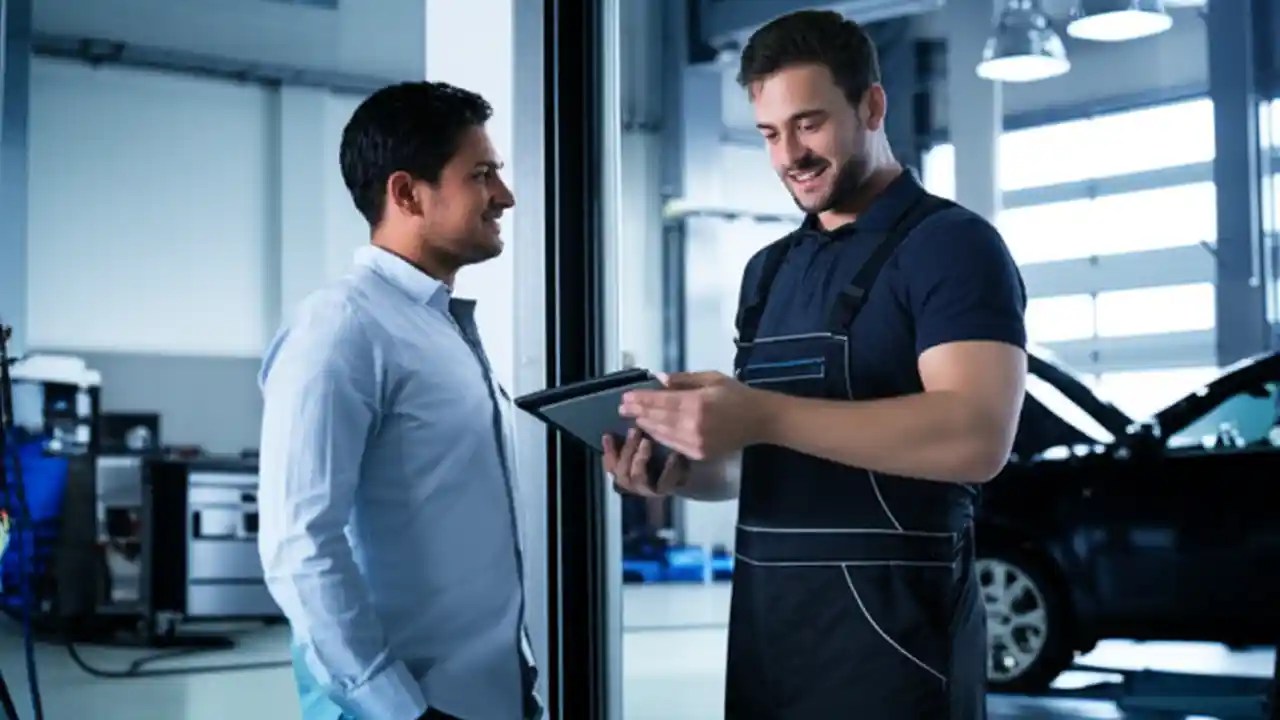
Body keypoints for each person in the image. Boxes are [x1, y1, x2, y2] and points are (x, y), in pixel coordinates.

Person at [605, 10, 1027, 720]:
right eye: (770, 133)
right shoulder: (767, 273)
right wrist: (678, 471)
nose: (788, 154)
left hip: (898, 655)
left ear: (872, 105)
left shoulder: (953, 246)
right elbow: (763, 465)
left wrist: (759, 411)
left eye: (809, 123)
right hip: (768, 645)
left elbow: (977, 436)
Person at [257, 81, 540, 720]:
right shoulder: (342, 327)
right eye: (482, 175)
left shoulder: (437, 327)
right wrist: (400, 711)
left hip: (488, 694)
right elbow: (300, 545)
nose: (505, 196)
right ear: (407, 192)